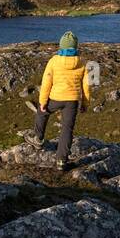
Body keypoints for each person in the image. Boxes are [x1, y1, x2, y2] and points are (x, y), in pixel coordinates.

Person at [26, 30, 91, 170]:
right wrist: (85, 103)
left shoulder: (54, 61)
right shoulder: (83, 62)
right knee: (67, 130)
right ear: (75, 47)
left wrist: (43, 102)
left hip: (55, 98)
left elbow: (46, 83)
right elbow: (86, 86)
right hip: (72, 101)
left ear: (61, 46)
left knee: (42, 113)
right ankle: (61, 161)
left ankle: (38, 139)